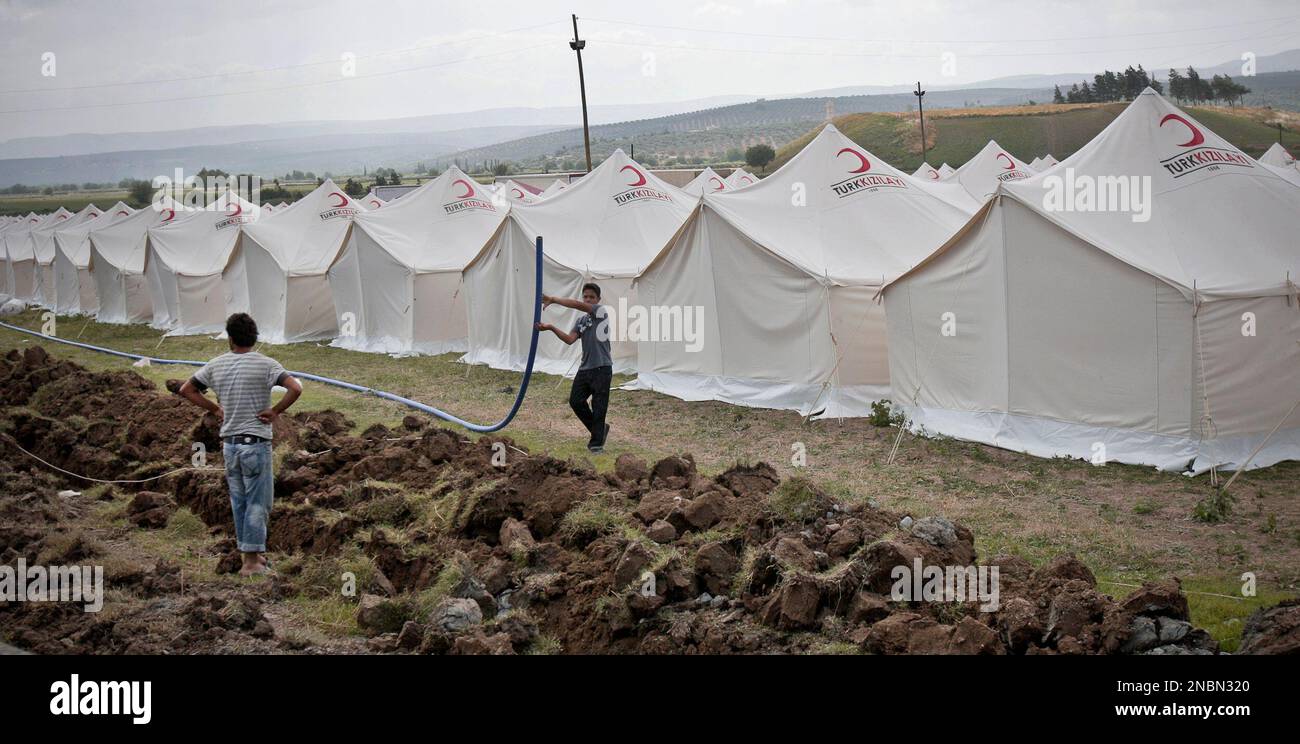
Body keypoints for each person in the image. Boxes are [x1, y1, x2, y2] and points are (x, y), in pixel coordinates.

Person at [178, 313, 302, 577]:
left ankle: (251, 554)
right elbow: (295, 388)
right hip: (256, 444)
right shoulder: (267, 364)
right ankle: (252, 563)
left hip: (231, 446)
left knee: (240, 501)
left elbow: (187, 389)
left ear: (230, 339)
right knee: (259, 502)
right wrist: (276, 410)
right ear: (255, 338)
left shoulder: (215, 365)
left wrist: (214, 408)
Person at [536, 282, 612, 452]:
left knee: (599, 407)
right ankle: (600, 430)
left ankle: (596, 445)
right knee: (576, 401)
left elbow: (578, 306)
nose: (588, 299)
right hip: (585, 368)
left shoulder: (601, 312)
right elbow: (570, 340)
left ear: (598, 299)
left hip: (602, 368)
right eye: (585, 296)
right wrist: (550, 327)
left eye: (592, 297)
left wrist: (554, 299)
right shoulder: (581, 321)